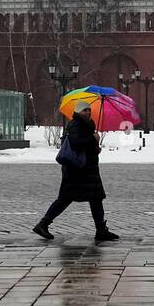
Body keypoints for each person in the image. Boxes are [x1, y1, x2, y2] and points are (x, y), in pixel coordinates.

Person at [33, 102, 119, 242]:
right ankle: (43, 224)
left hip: (87, 170)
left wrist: (95, 148)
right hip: (76, 171)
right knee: (65, 199)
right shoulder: (76, 124)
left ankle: (101, 230)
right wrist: (93, 139)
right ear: (78, 111)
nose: (88, 113)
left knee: (96, 198)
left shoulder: (87, 124)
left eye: (89, 110)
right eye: (85, 110)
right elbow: (76, 143)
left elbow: (85, 146)